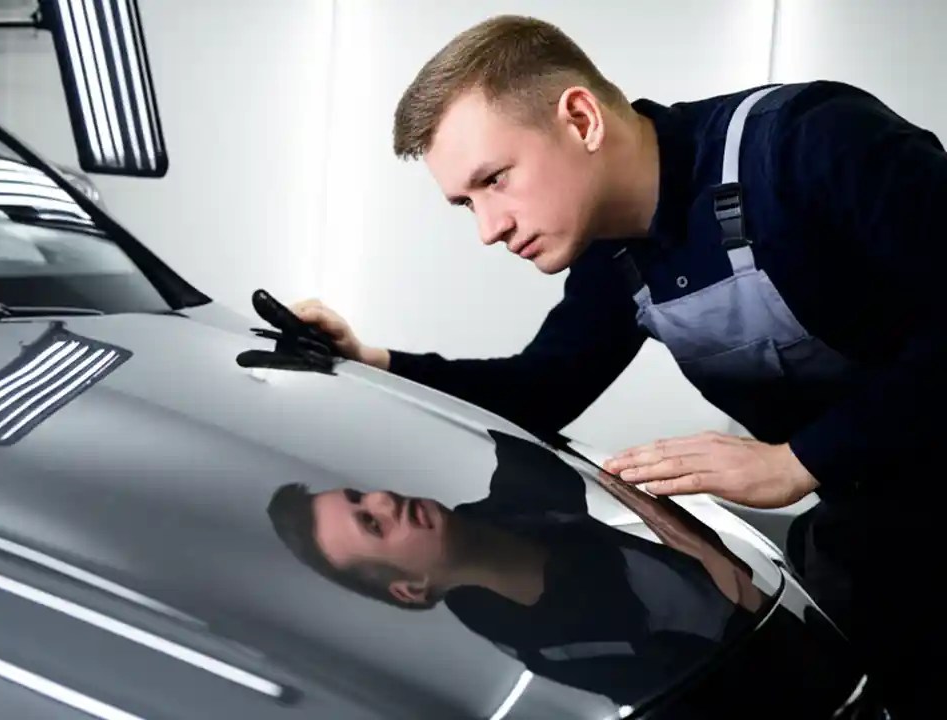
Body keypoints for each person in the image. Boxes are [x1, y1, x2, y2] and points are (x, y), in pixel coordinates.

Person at [288, 14, 939, 716]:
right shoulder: (613, 258)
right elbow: (540, 391)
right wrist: (370, 360)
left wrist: (797, 461)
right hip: (887, 526)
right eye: (466, 204)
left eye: (496, 180)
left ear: (579, 118)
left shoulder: (814, 141)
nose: (489, 228)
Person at [266, 430, 771, 707]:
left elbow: (529, 385)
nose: (383, 501)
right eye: (372, 526)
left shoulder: (526, 485)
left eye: (359, 496)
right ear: (413, 589)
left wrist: (374, 359)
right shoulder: (562, 656)